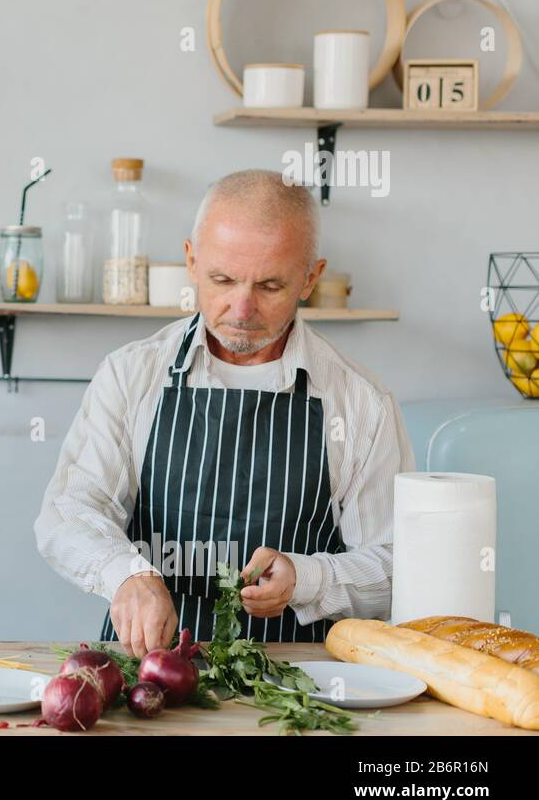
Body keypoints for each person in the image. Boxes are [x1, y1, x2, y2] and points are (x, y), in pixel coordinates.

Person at [35, 168, 413, 656]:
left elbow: (398, 565)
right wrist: (126, 574)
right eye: (222, 279)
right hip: (149, 677)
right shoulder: (130, 376)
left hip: (297, 690)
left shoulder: (362, 403)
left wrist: (308, 578)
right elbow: (67, 512)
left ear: (310, 278)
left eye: (270, 286)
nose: (241, 307)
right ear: (191, 262)